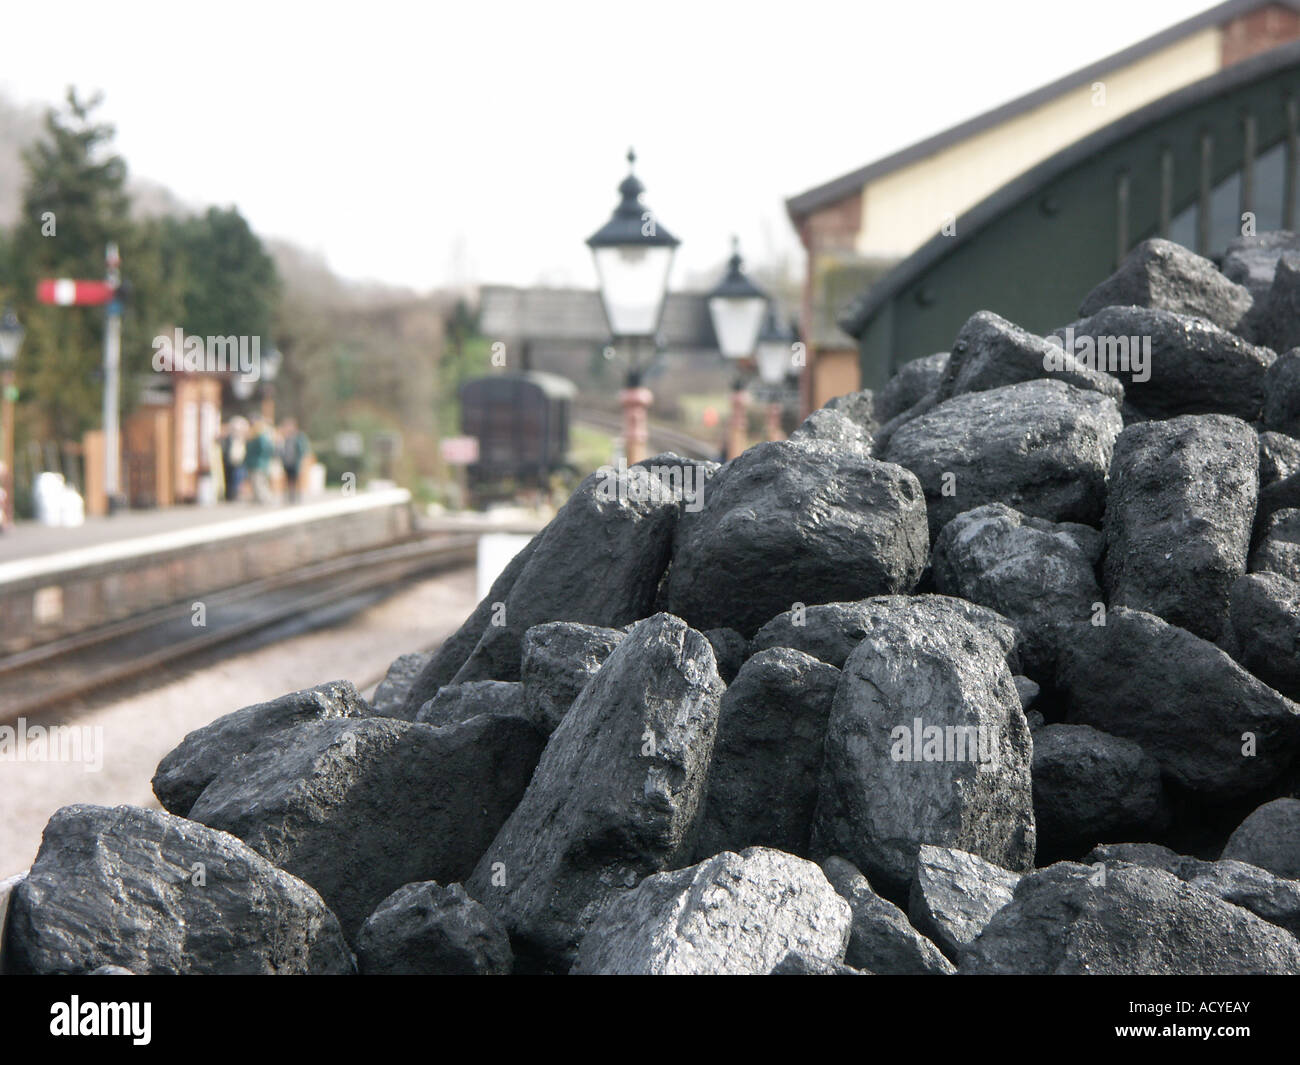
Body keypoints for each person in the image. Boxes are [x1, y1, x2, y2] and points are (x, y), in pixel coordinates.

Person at [279, 418, 311, 503]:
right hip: (287, 462)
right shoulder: (285, 437)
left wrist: (302, 461)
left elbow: (302, 450)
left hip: (295, 462)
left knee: (296, 480)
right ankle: (290, 497)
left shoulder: (298, 436)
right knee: (288, 480)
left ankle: (297, 497)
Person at [245, 419, 275, 503]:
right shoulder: (254, 437)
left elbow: (265, 451)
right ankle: (258, 498)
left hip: (258, 463)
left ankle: (263, 498)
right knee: (256, 482)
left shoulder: (261, 438)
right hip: (254, 463)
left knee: (259, 482)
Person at [220, 417, 248, 502]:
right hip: (229, 462)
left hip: (239, 462)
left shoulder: (243, 439)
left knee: (238, 479)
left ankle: (235, 494)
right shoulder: (229, 439)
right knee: (230, 479)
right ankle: (230, 495)